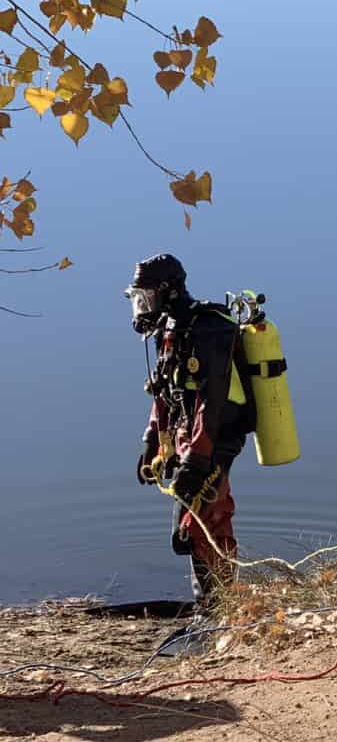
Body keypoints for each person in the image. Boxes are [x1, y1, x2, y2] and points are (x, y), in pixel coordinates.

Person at [127, 254, 254, 607]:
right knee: (187, 527)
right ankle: (212, 604)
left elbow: (210, 403)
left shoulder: (208, 329)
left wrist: (196, 463)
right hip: (189, 438)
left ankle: (219, 606)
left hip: (216, 437)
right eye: (137, 299)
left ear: (168, 291)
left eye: (146, 297)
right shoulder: (170, 331)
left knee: (201, 522)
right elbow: (166, 390)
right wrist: (152, 442)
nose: (141, 308)